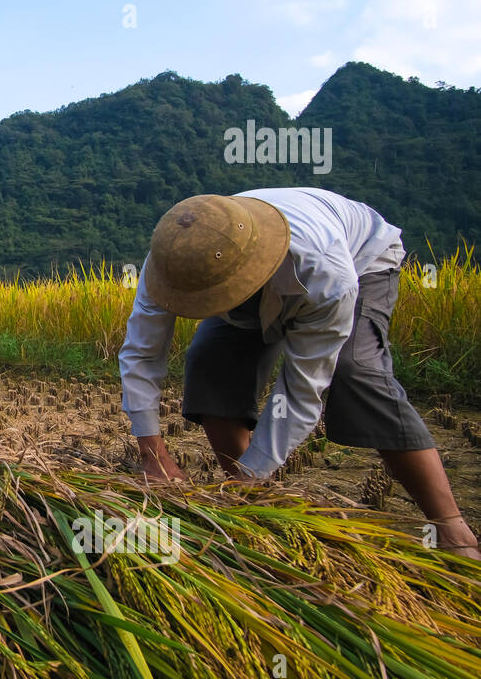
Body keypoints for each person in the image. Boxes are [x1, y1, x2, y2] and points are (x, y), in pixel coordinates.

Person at [119, 188, 480, 560]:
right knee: (210, 363)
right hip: (230, 269)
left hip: (362, 259)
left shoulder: (327, 273)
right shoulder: (177, 259)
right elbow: (141, 354)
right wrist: (153, 452)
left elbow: (300, 390)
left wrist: (256, 470)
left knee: (356, 372)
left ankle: (449, 525)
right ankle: (247, 500)